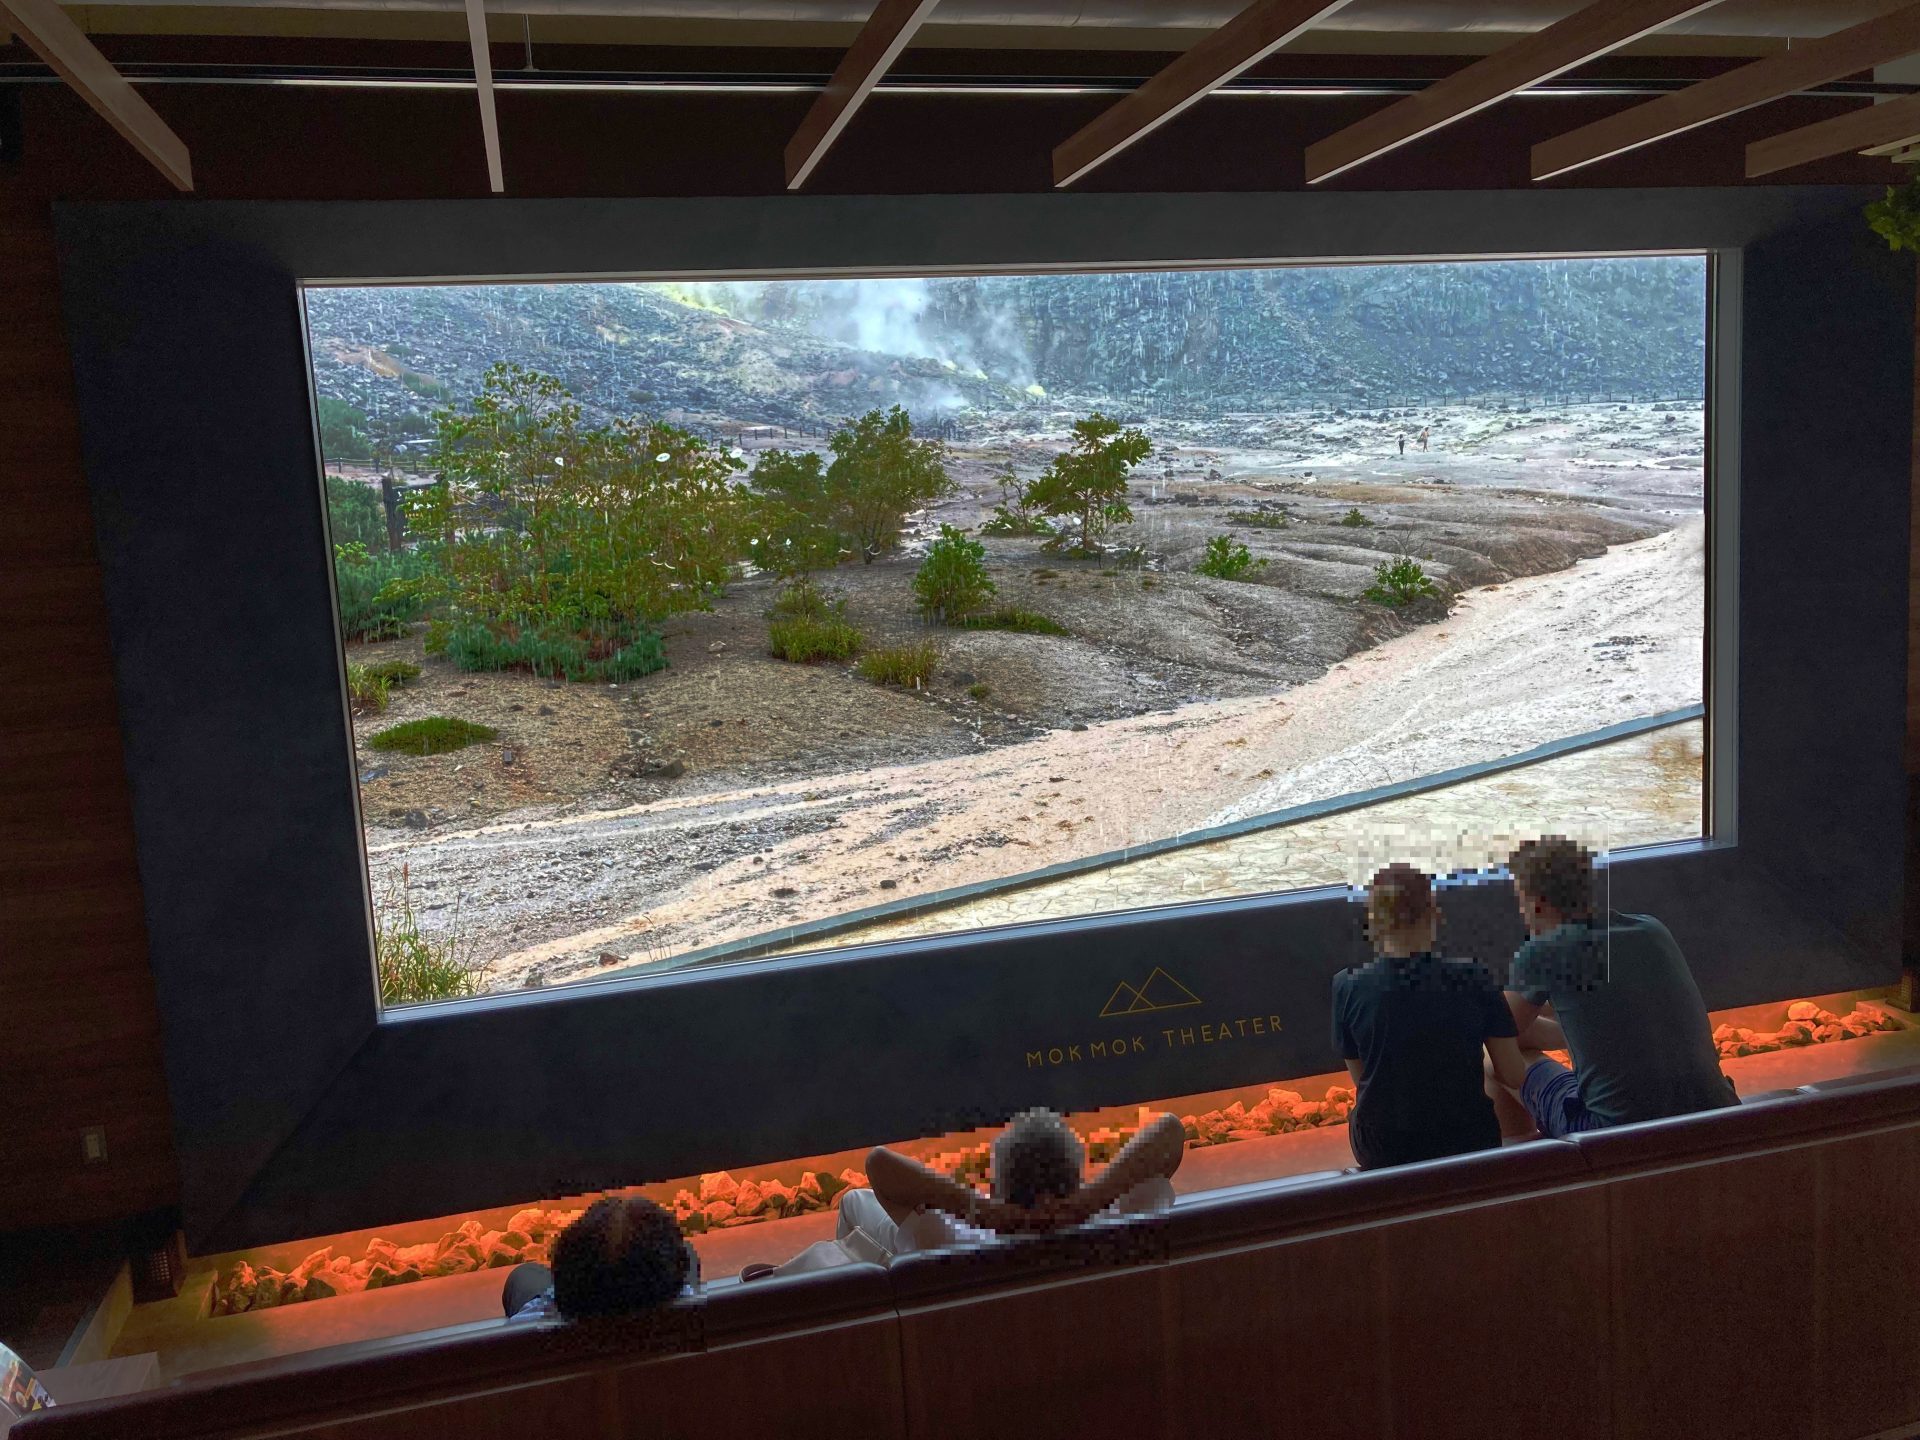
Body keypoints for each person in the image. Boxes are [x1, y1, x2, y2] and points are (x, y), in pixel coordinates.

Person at [747, 1107, 1185, 1279]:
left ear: (995, 1188)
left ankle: (800, 1278)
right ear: (1077, 1176)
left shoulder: (948, 1237)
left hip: (922, 1282)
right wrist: (1090, 1202)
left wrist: (980, 1212)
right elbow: (1169, 1131)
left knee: (853, 1203)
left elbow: (879, 1163)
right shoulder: (1119, 1226)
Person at [1491, 836, 1736, 1138]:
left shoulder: (1545, 951)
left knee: (1491, 1056)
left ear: (1536, 904)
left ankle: (1525, 1171)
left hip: (1611, 1134)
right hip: (1717, 1112)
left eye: (1520, 902)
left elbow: (1499, 1029)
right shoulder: (1652, 929)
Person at [1332, 863, 1532, 1170]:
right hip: (1467, 1140)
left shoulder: (1347, 985)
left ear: (1373, 921)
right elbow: (1514, 1075)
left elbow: (1364, 1081)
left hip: (1384, 1148)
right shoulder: (1473, 976)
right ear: (1434, 914)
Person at [503, 1195, 700, 1321]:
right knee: (689, 1250)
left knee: (524, 1276)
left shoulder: (526, 1332)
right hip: (659, 1323)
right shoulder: (701, 1320)